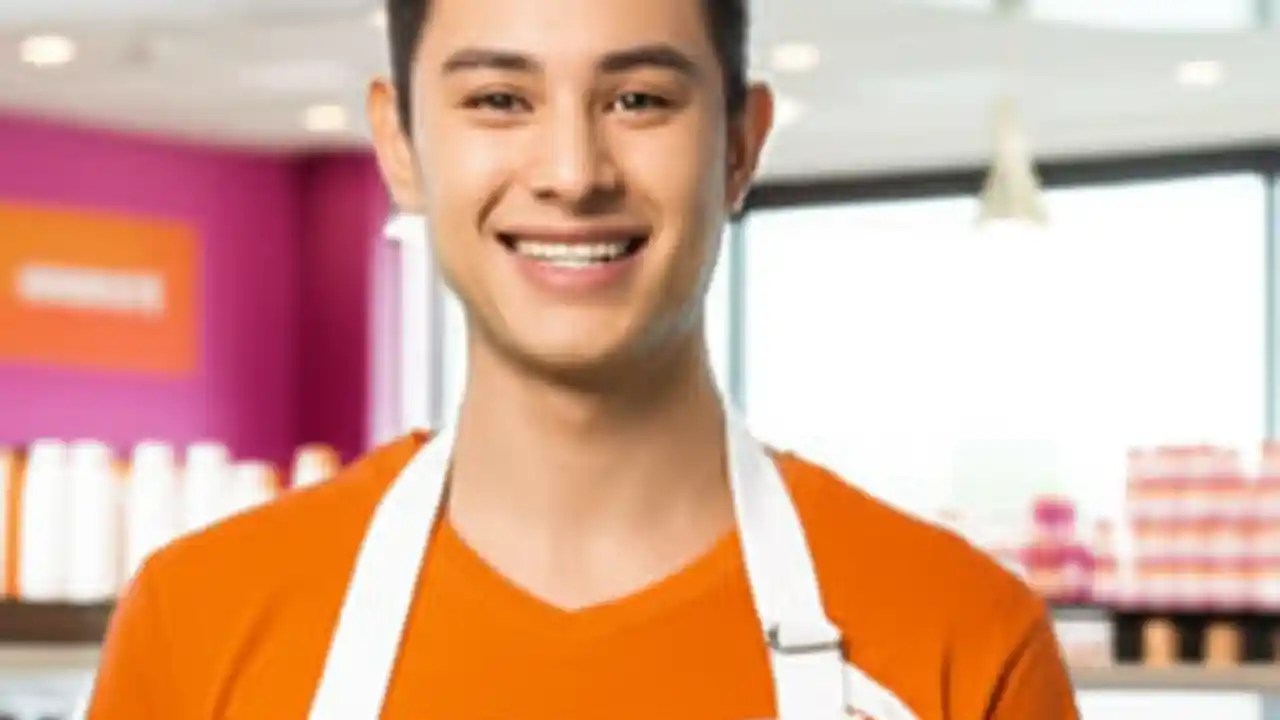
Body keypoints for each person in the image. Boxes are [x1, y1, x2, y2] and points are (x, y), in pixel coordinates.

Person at [87, 0, 1080, 717]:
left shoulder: (962, 642)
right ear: (399, 145)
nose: (571, 174)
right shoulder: (200, 624)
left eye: (639, 99)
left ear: (740, 144)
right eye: (499, 99)